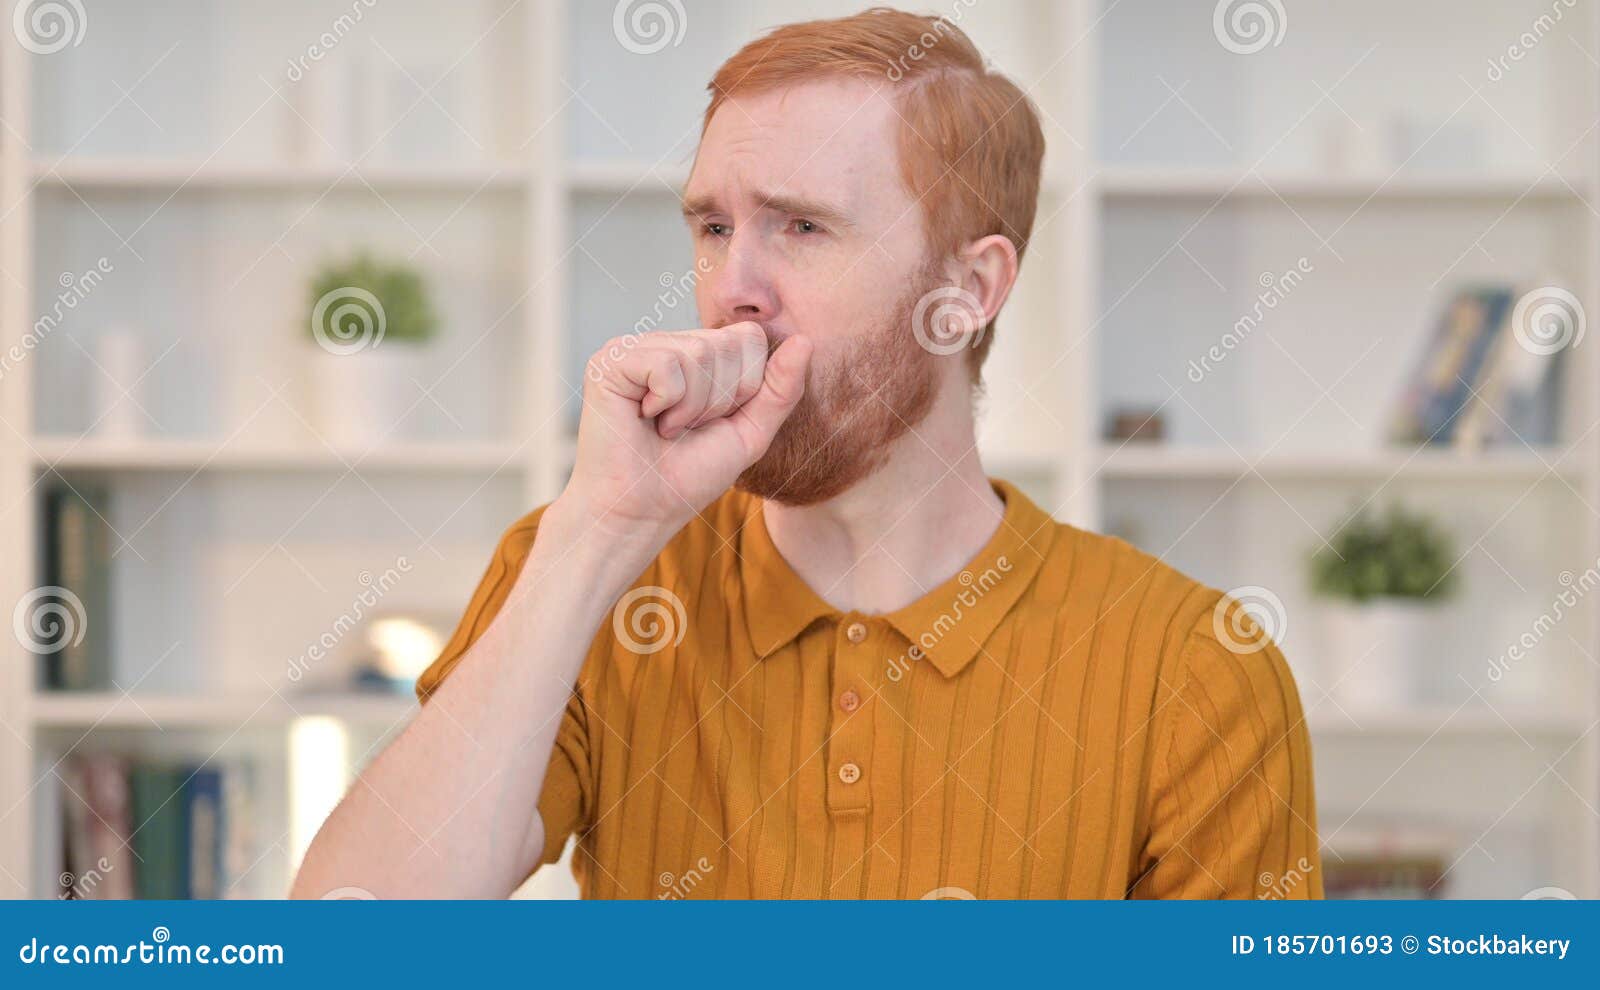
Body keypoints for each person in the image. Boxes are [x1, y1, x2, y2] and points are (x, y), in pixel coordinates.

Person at [291, 7, 1320, 900]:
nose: (734, 283)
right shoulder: (590, 574)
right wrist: (596, 535)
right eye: (711, 226)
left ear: (968, 292)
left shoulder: (1196, 670)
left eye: (800, 227)